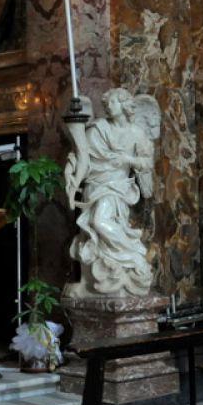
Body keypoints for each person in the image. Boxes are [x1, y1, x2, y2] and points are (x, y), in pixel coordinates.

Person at [64, 89, 158, 297]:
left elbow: (147, 162)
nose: (107, 107)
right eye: (105, 104)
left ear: (124, 105)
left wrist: (127, 160)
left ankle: (133, 256)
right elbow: (81, 154)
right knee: (90, 231)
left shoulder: (136, 133)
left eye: (112, 102)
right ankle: (103, 271)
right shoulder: (98, 128)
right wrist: (70, 168)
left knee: (99, 221)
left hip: (118, 187)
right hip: (95, 184)